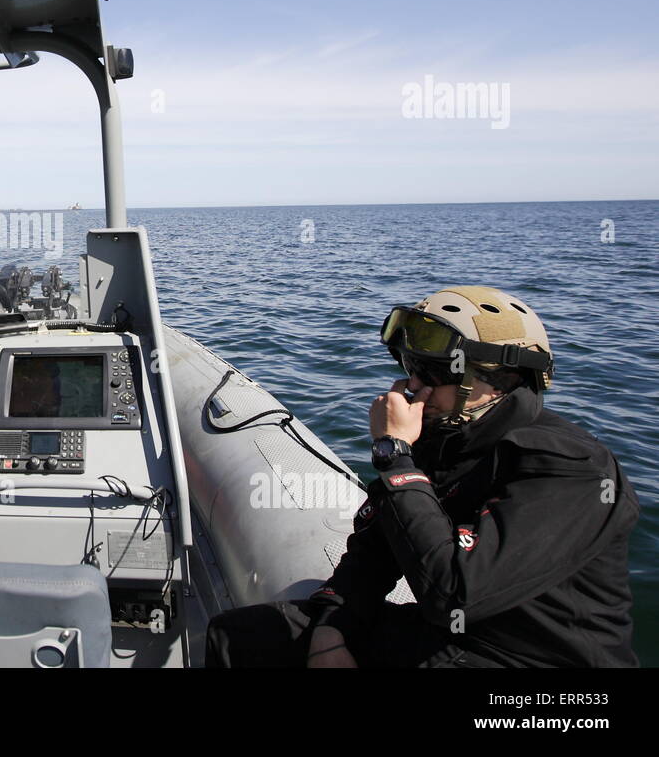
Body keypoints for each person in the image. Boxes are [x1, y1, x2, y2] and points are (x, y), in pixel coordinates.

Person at [205, 285, 638, 668]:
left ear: (501, 380)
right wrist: (331, 629)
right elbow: (373, 552)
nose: (412, 385)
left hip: (530, 660)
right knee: (238, 637)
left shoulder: (569, 466)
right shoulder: (444, 442)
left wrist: (394, 457)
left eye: (432, 373)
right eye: (409, 365)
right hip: (450, 640)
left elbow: (453, 591)